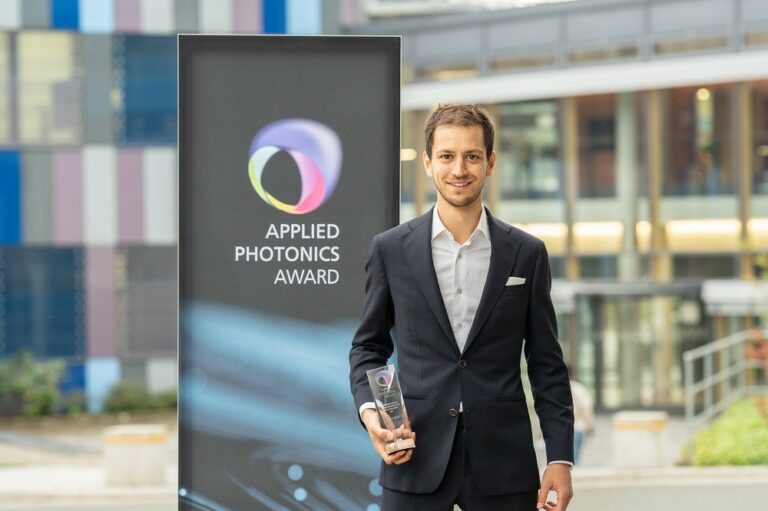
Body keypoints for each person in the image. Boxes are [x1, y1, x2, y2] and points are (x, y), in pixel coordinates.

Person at [349, 103, 575, 510]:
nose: (459, 170)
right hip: (413, 457)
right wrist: (373, 413)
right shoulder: (390, 250)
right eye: (446, 156)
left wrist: (560, 457)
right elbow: (368, 347)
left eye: (472, 156)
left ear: (490, 163)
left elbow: (546, 363)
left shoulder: (526, 253)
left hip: (504, 464)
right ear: (427, 163)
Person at [567, 365, 595, 465]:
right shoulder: (579, 389)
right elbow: (587, 407)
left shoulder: (557, 390)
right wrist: (590, 426)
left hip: (562, 429)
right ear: (573, 375)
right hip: (578, 427)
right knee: (574, 460)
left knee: (564, 460)